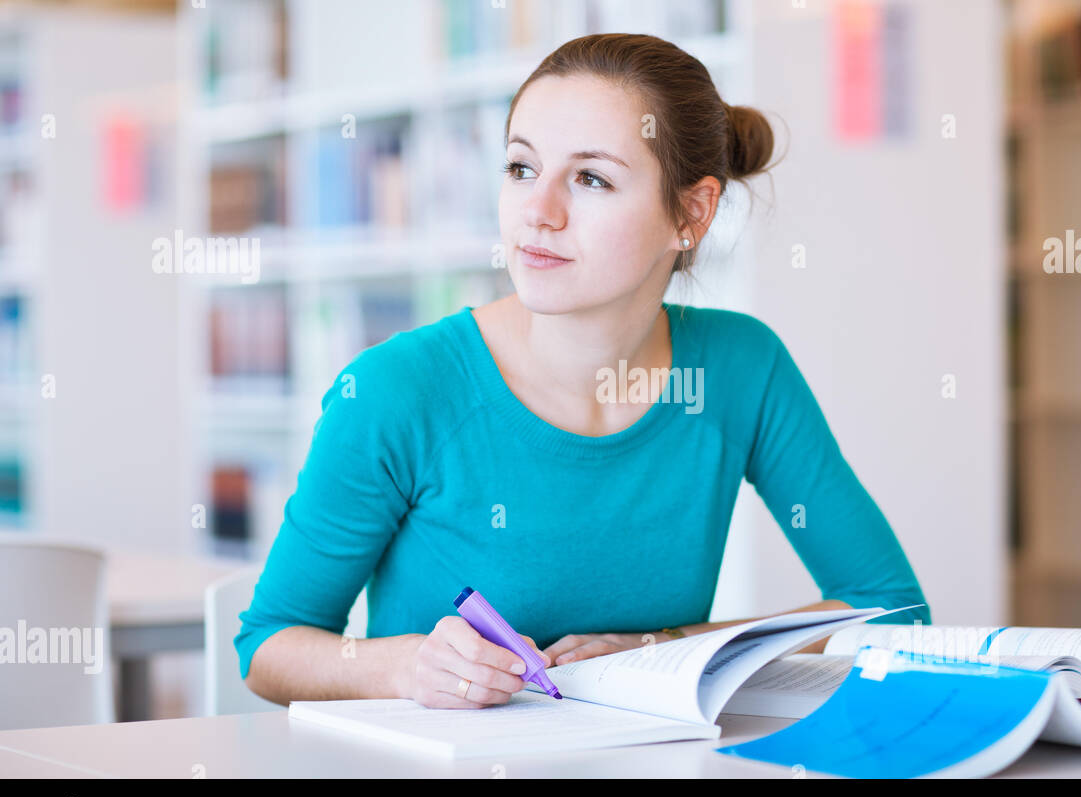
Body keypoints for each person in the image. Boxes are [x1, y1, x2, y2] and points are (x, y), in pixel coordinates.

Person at [237, 33, 929, 710]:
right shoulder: (395, 390)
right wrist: (404, 664)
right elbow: (266, 646)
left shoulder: (743, 367)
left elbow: (892, 609)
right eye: (520, 168)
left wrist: (667, 646)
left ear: (691, 212)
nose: (538, 213)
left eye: (591, 178)